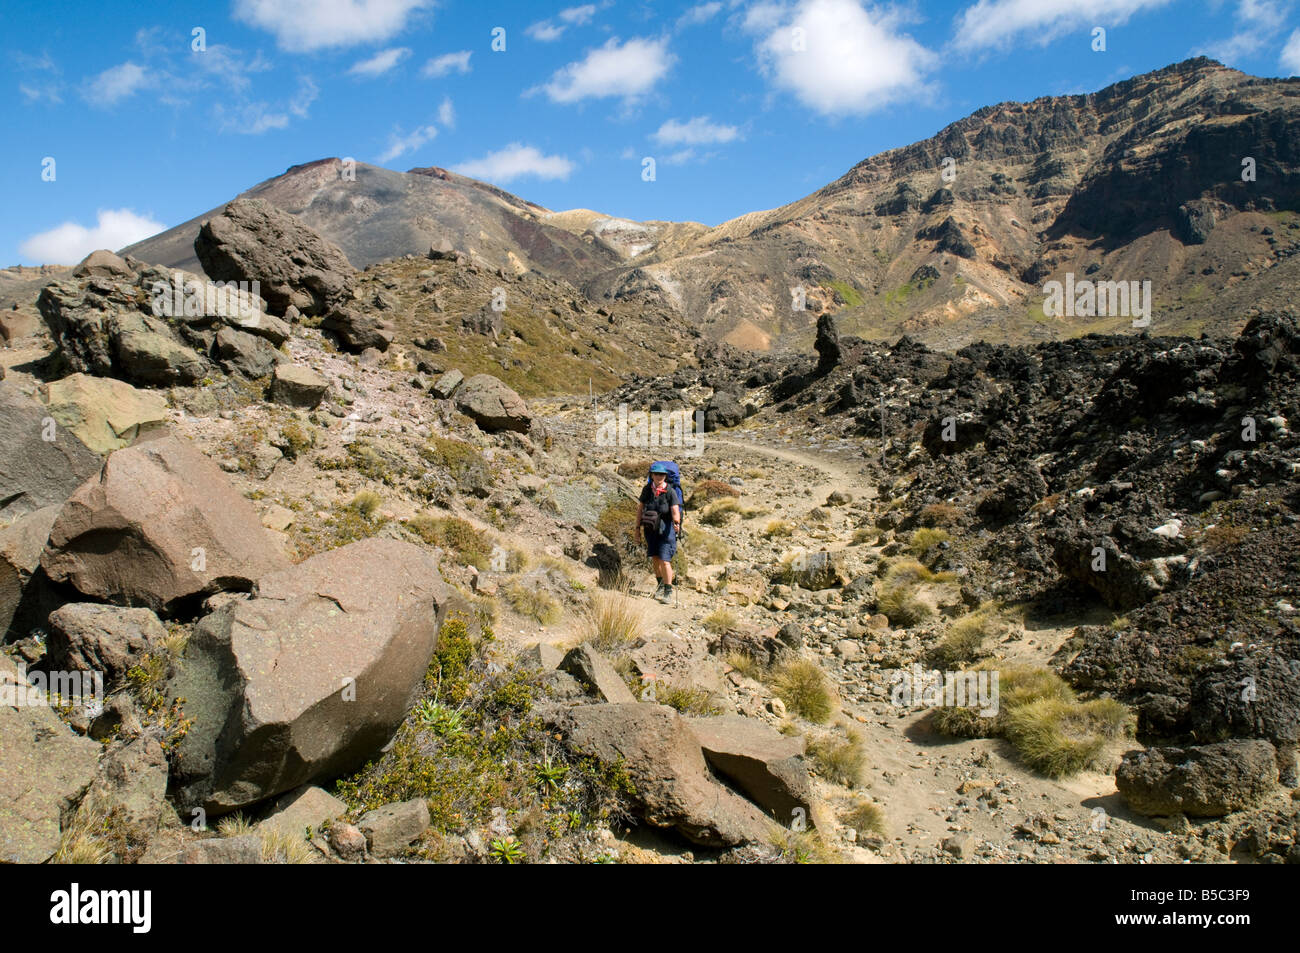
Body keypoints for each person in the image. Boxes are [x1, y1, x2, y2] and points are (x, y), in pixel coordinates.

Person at [635, 462, 682, 604]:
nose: (659, 477)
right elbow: (640, 509)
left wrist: (676, 523)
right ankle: (660, 585)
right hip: (650, 530)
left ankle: (668, 590)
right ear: (652, 475)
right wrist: (637, 529)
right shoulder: (647, 490)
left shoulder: (670, 492)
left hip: (666, 530)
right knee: (655, 558)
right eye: (656, 474)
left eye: (662, 474)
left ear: (665, 476)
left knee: (665, 560)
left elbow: (675, 510)